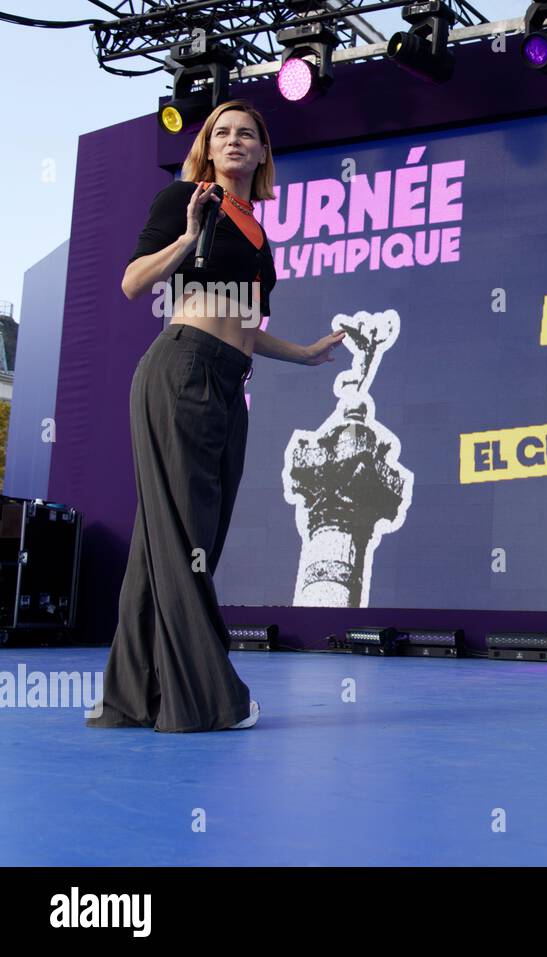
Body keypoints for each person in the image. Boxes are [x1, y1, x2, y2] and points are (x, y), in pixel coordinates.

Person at [87, 99, 345, 732]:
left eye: (247, 134)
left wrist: (307, 355)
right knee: (185, 542)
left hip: (229, 383)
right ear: (207, 146)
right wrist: (187, 235)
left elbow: (246, 330)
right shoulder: (183, 199)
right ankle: (207, 697)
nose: (234, 141)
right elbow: (132, 283)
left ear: (262, 153)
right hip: (181, 371)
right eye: (222, 132)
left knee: (165, 544)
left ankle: (130, 700)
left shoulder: (256, 230)